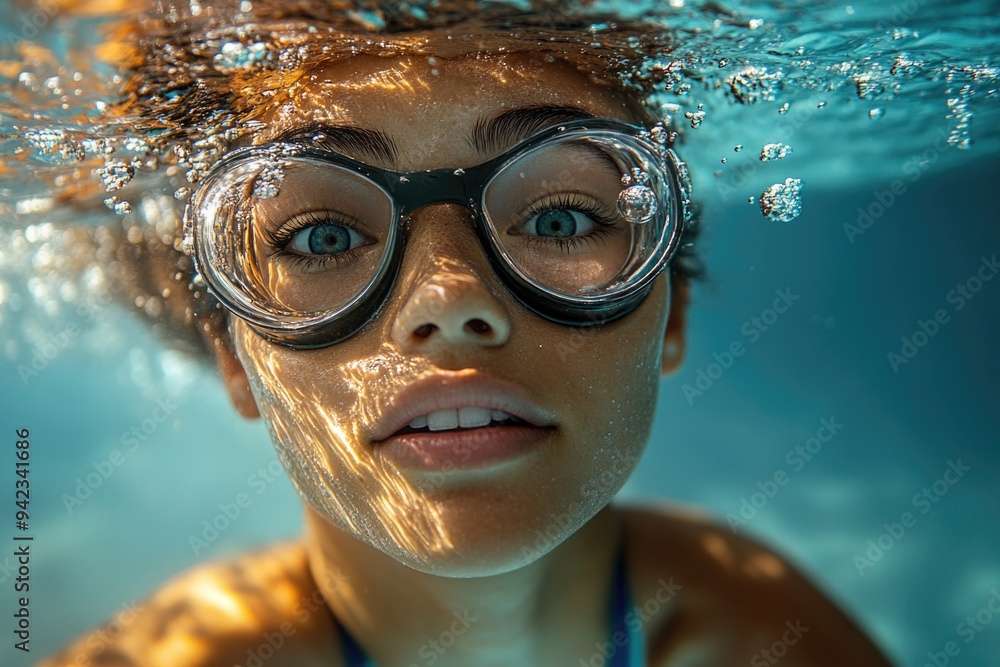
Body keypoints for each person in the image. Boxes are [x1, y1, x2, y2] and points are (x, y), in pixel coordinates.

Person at [41, 2, 892, 665]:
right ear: (235, 355)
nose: (448, 300)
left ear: (673, 311)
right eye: (322, 237)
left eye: (560, 219)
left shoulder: (763, 637)